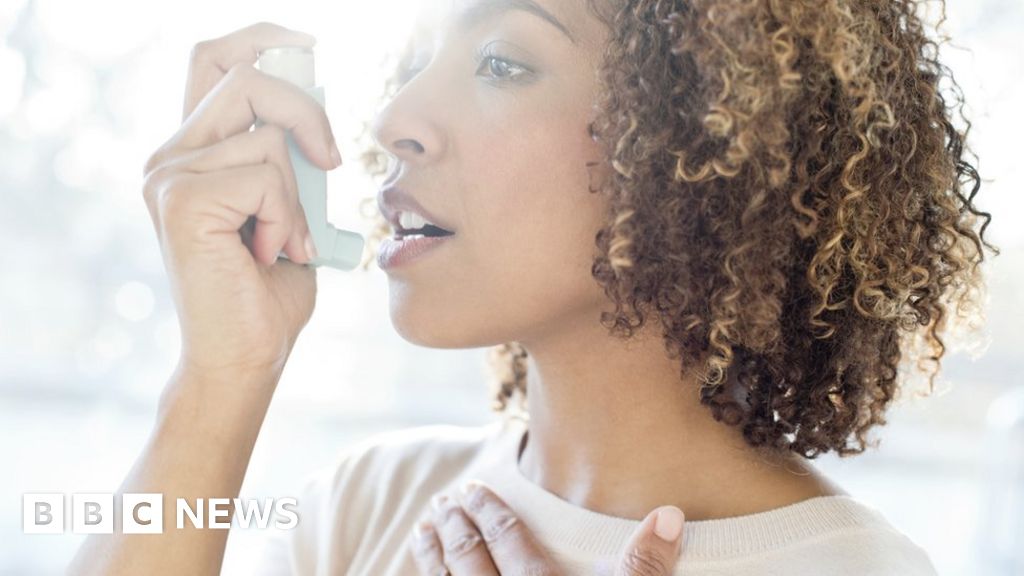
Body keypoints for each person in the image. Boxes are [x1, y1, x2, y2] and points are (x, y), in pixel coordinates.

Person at [69, 0, 997, 572]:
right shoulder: (369, 507)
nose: (393, 120)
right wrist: (222, 373)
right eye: (414, 66)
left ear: (704, 139)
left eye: (502, 62)